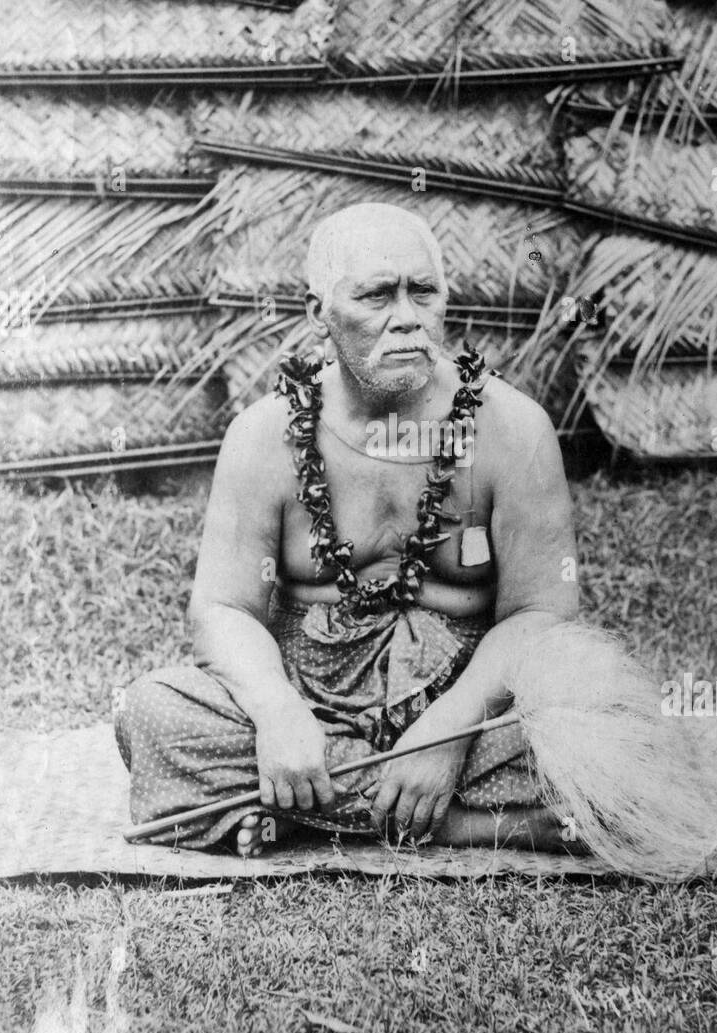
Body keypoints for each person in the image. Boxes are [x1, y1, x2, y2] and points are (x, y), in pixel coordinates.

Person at [116, 202, 581, 854]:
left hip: (470, 722)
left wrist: (446, 734)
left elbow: (545, 612)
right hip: (309, 714)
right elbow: (222, 608)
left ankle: (302, 810)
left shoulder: (513, 428)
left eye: (424, 292)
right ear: (319, 315)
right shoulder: (262, 437)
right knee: (152, 711)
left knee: (601, 732)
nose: (407, 319)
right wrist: (279, 715)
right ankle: (460, 825)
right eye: (375, 296)